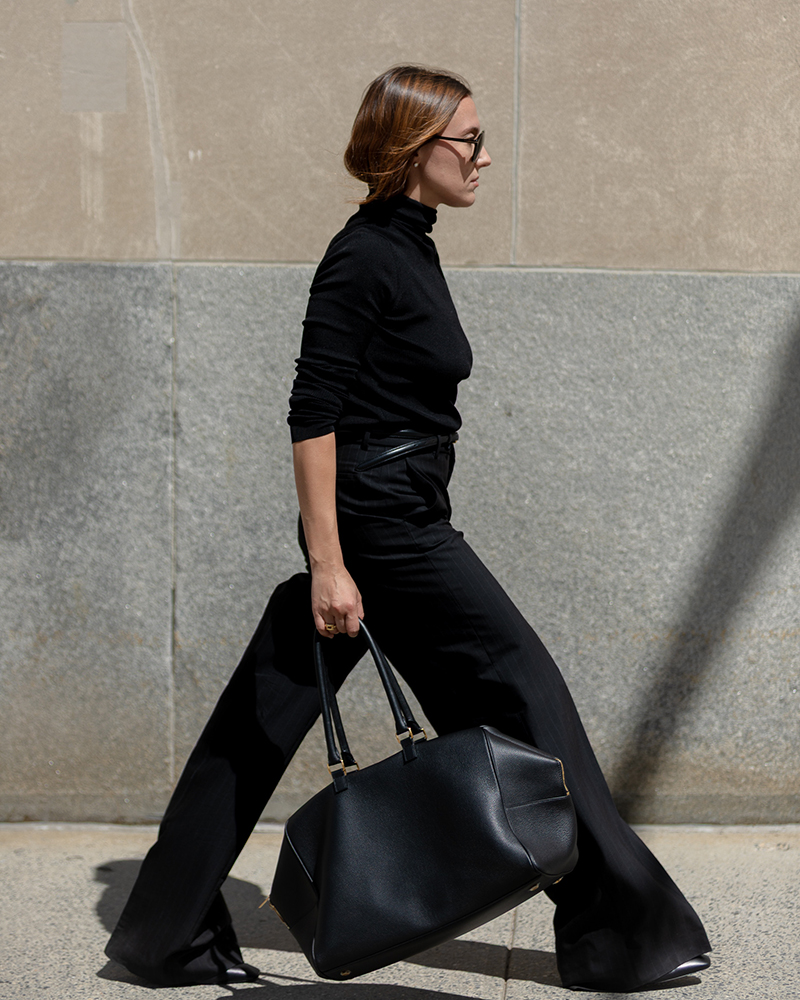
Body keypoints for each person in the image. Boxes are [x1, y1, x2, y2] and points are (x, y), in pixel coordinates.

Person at [105, 65, 711, 992]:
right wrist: (329, 564)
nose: (483, 155)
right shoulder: (362, 255)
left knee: (259, 721)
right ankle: (620, 932)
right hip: (388, 535)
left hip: (400, 520)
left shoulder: (408, 244)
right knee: (528, 698)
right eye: (467, 139)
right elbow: (313, 415)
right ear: (413, 147)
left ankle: (161, 932)